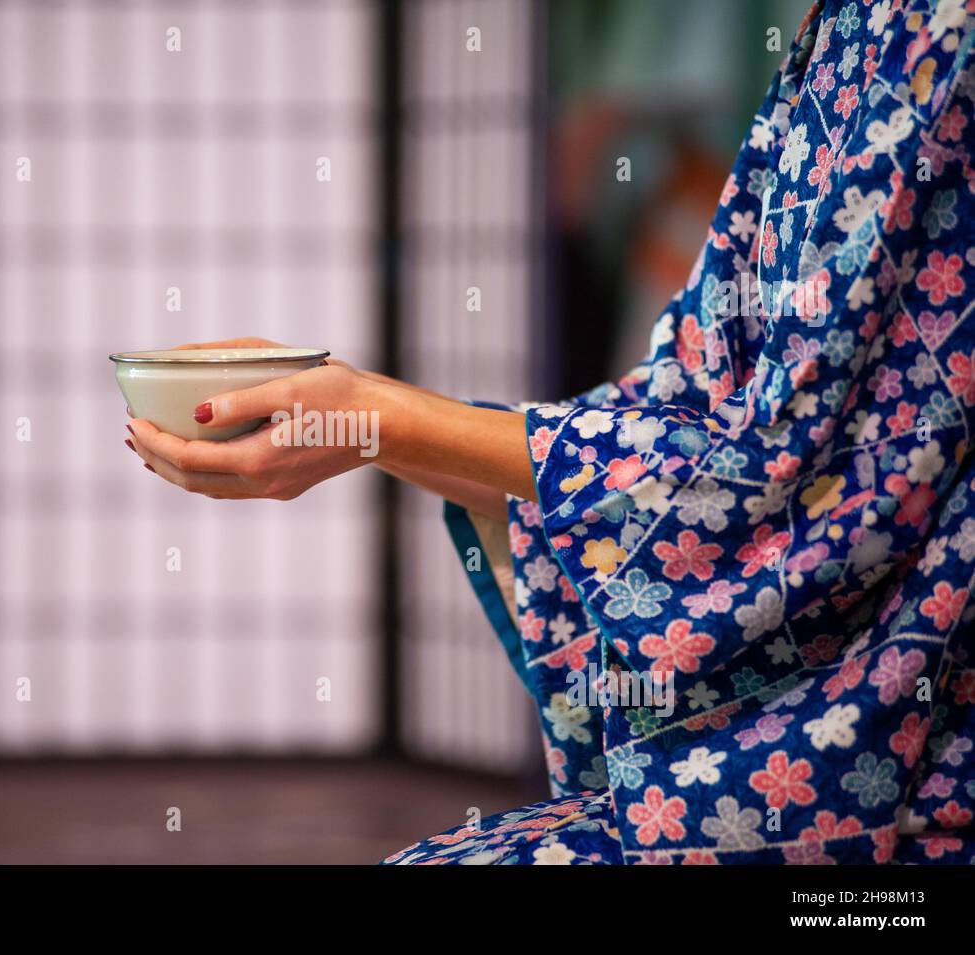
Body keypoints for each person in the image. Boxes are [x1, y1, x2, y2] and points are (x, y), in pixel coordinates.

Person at [126, 0, 975, 864]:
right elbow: (677, 409)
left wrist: (374, 419)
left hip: (900, 790)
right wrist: (363, 419)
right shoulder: (847, 29)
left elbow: (794, 482)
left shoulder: (935, 33)